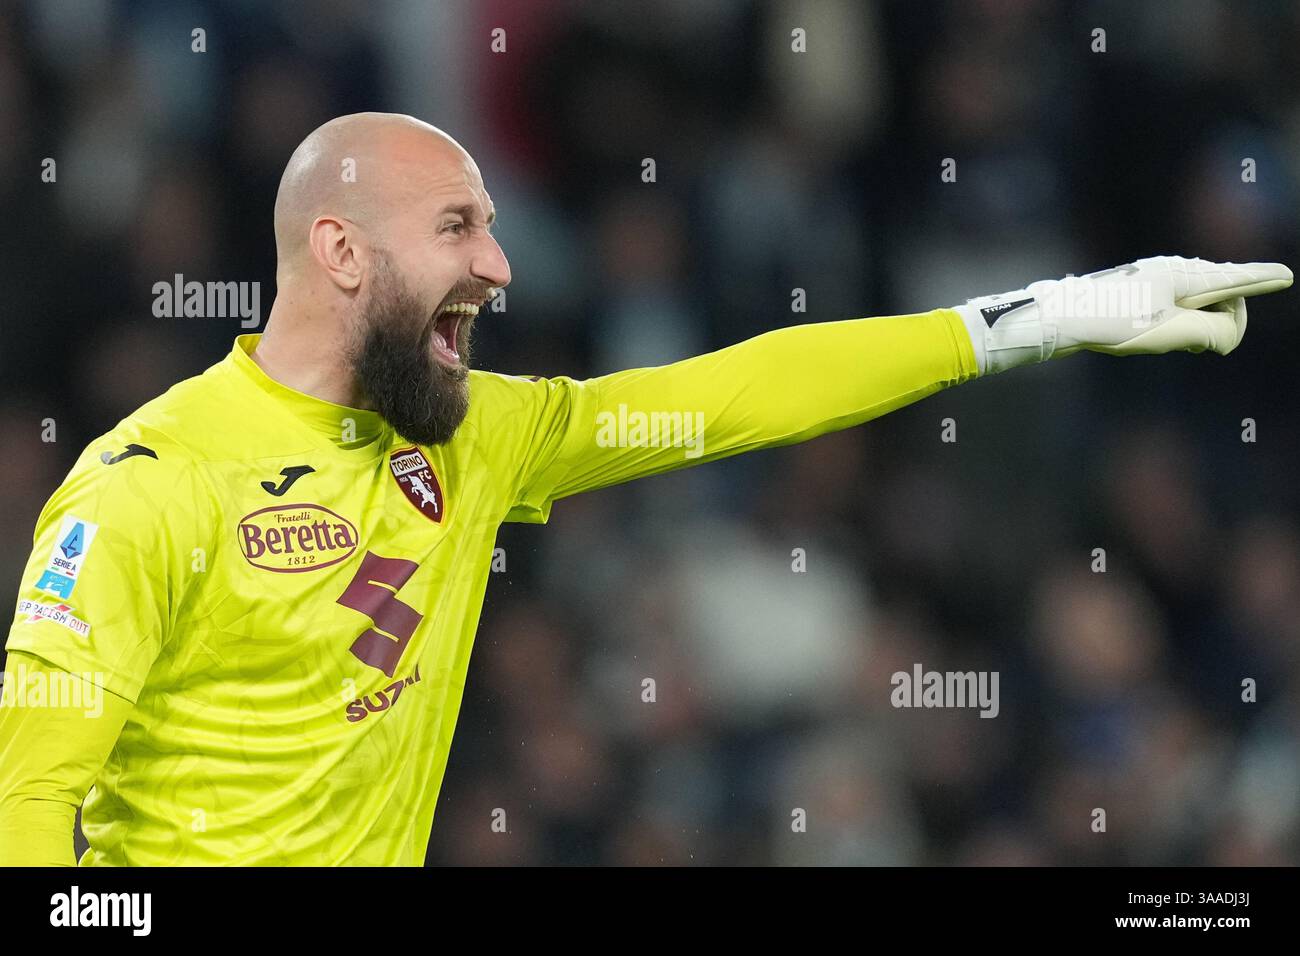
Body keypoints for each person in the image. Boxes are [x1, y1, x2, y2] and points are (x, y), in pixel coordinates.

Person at [0, 113, 1290, 865]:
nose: (500, 266)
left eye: (494, 226)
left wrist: (1041, 318)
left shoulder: (481, 436)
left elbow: (735, 396)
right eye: (457, 228)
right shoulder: (144, 488)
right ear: (339, 250)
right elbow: (30, 824)